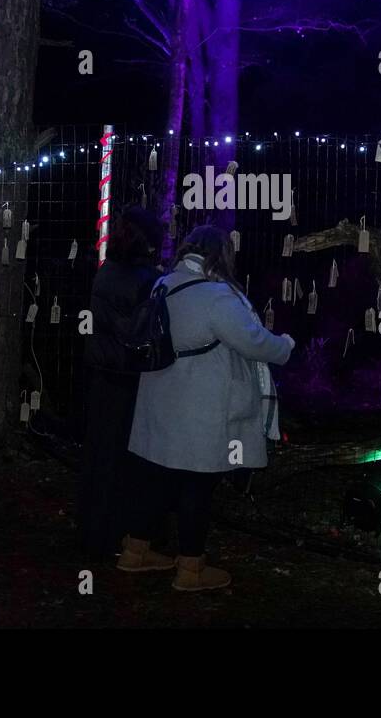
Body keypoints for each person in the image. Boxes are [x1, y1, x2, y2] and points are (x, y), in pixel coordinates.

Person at [118, 225, 295, 591]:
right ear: (220, 255)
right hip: (199, 408)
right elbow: (254, 343)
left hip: (158, 400)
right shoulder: (216, 296)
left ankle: (135, 552)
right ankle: (191, 569)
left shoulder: (163, 284)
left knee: (158, 480)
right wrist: (286, 346)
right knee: (197, 484)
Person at [76, 206, 165, 560]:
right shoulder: (145, 280)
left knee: (101, 454)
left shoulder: (107, 271)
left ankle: (94, 531)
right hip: (129, 377)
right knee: (126, 458)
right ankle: (118, 534)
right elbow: (142, 331)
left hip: (102, 374)